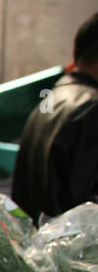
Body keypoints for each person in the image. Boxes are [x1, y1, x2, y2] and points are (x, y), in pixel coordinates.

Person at [12, 13, 98, 220]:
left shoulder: (49, 102)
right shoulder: (91, 109)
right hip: (68, 248)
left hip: (37, 245)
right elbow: (87, 216)